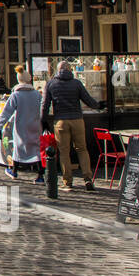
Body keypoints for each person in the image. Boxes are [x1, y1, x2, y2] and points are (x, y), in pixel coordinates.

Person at [42, 60, 104, 191]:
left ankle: (67, 181)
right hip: (77, 119)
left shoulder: (51, 84)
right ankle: (88, 178)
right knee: (82, 149)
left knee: (64, 152)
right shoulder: (76, 83)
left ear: (58, 70)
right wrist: (99, 105)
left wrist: (44, 121)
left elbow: (45, 105)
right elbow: (88, 100)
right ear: (70, 70)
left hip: (61, 121)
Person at [0, 69, 44, 181]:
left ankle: (14, 171)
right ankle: (40, 175)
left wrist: (0, 126)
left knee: (18, 148)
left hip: (21, 125)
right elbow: (43, 108)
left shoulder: (16, 95)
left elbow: (6, 112)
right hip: (35, 125)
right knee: (35, 149)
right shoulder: (37, 94)